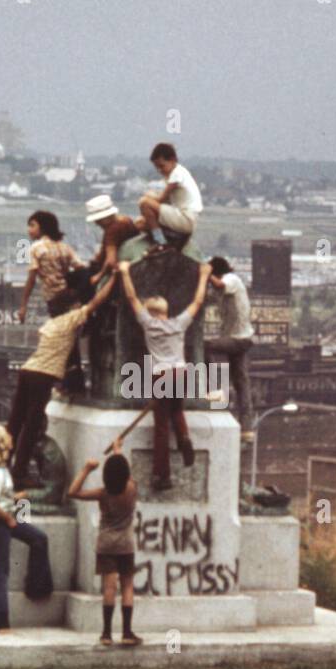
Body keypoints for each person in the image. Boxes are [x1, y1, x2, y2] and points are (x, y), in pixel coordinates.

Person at [7, 269, 118, 486]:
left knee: (15, 422)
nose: (79, 306)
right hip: (43, 376)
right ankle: (19, 472)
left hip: (28, 370)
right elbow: (96, 302)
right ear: (70, 307)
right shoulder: (70, 319)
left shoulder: (51, 323)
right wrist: (115, 278)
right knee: (31, 424)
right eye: (76, 304)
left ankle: (1, 464)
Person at [117, 258, 213, 489]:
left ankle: (162, 475)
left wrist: (125, 272)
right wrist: (203, 275)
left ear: (150, 311)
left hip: (161, 376)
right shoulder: (179, 323)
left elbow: (131, 298)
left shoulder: (148, 324)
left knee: (161, 425)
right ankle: (184, 438)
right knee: (177, 409)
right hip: (181, 373)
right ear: (167, 311)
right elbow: (198, 301)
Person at [0, 425, 52, 633]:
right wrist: (9, 520)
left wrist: (15, 498)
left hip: (1, 517)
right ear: (1, 444)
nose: (11, 438)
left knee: (39, 539)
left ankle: (37, 587)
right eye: (7, 436)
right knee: (0, 571)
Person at [67, 447, 141, 647]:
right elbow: (124, 473)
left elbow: (73, 492)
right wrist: (118, 451)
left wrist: (87, 469)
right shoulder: (133, 488)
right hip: (126, 545)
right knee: (127, 586)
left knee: (109, 587)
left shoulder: (102, 494)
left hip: (106, 544)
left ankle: (106, 633)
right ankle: (127, 632)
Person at [20, 210, 88, 392]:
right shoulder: (64, 247)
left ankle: (70, 382)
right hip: (71, 298)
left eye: (32, 225)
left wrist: (23, 305)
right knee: (70, 338)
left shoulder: (36, 248)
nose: (29, 230)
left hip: (55, 299)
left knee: (61, 339)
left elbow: (31, 278)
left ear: (42, 227)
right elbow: (81, 268)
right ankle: (74, 380)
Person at [205, 256, 255, 433]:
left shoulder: (231, 279)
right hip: (240, 338)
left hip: (238, 339)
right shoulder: (223, 288)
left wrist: (206, 273)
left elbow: (219, 285)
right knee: (241, 381)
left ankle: (213, 389)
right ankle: (247, 427)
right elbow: (208, 296)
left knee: (205, 346)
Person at [136, 143, 202, 249]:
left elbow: (161, 199)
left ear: (173, 160)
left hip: (185, 218)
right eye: (157, 168)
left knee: (144, 203)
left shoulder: (177, 174)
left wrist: (147, 196)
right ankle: (167, 239)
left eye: (162, 166)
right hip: (181, 216)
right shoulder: (177, 174)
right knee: (140, 223)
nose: (160, 170)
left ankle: (160, 242)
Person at [84, 194, 142, 274]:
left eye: (98, 220)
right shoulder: (126, 220)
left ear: (104, 217)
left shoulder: (111, 231)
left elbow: (111, 261)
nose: (96, 223)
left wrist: (99, 276)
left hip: (107, 269)